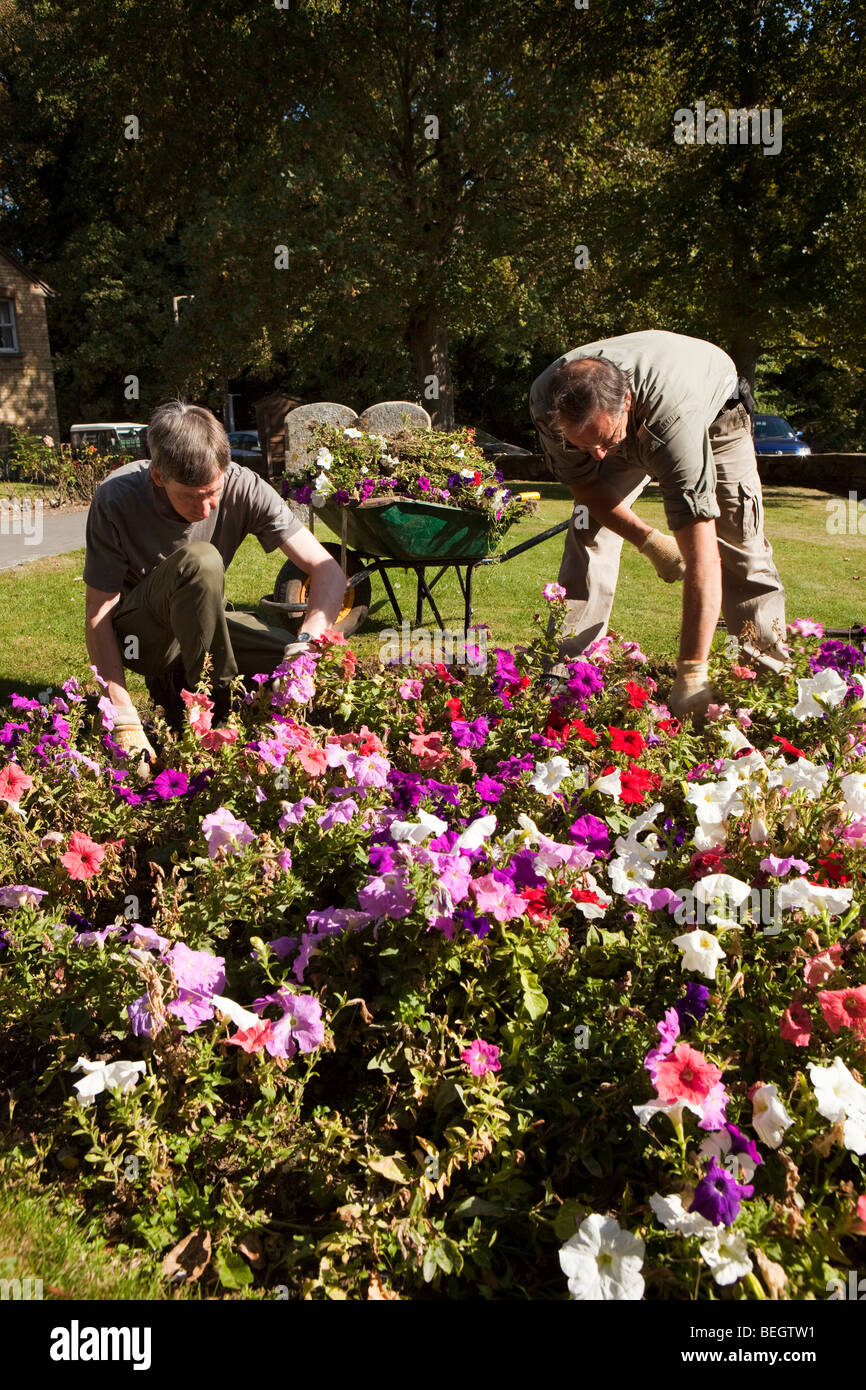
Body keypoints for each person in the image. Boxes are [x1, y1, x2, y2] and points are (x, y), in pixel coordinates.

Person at [529, 330, 788, 718]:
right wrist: (648, 540)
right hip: (629, 416)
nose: (598, 454)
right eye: (583, 444)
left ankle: (766, 681)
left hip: (716, 415)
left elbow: (702, 559)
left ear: (628, 402)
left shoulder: (673, 421)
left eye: (602, 440)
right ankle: (567, 672)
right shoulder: (547, 401)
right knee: (588, 528)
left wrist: (691, 672)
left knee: (739, 549)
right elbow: (585, 484)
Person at [83, 400, 346, 760]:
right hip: (143, 640)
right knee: (202, 560)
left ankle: (191, 692)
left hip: (203, 627)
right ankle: (217, 709)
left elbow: (326, 568)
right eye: (193, 497)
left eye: (214, 493)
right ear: (159, 478)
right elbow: (99, 613)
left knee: (301, 664)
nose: (207, 509)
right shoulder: (116, 499)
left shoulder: (243, 485)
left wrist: (306, 643)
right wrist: (123, 713)